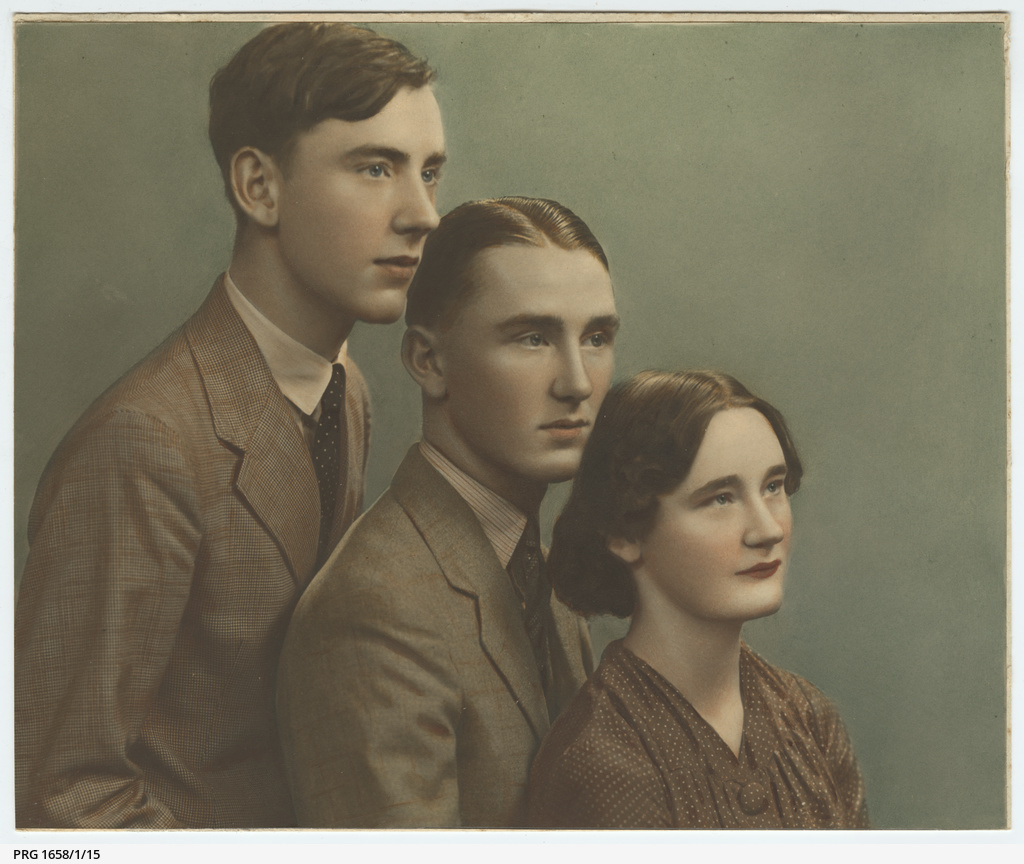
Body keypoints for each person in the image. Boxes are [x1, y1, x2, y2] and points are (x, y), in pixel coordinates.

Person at [15, 22, 445, 829]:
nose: (422, 213)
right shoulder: (144, 443)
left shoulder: (344, 390)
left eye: (430, 172)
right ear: (259, 187)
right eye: (376, 167)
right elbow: (57, 800)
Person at [276, 196, 620, 827]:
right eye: (533, 337)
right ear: (428, 362)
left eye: (596, 338)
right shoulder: (377, 609)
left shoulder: (546, 578)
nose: (576, 381)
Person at [527, 370, 870, 829]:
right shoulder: (602, 762)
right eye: (721, 498)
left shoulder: (809, 717)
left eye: (773, 487)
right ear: (625, 531)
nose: (767, 529)